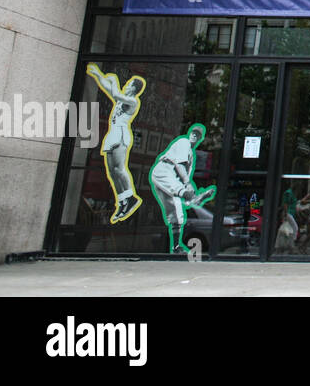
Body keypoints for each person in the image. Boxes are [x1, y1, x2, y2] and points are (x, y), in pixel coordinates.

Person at [86, 63, 146, 224]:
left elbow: (116, 93)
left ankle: (131, 196)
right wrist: (98, 75)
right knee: (112, 172)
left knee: (119, 169)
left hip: (120, 135)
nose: (126, 86)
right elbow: (110, 91)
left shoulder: (132, 101)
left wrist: (114, 81)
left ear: (133, 88)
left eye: (128, 84)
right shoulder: (121, 101)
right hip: (113, 134)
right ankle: (123, 201)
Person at [147, 123, 217, 254]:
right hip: (165, 170)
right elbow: (179, 166)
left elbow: (183, 171)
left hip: (169, 178)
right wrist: (187, 184)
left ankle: (176, 247)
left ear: (200, 139)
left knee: (176, 213)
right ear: (189, 134)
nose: (194, 136)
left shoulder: (190, 155)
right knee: (180, 189)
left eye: (197, 135)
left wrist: (187, 187)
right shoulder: (183, 142)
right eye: (193, 133)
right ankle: (195, 198)